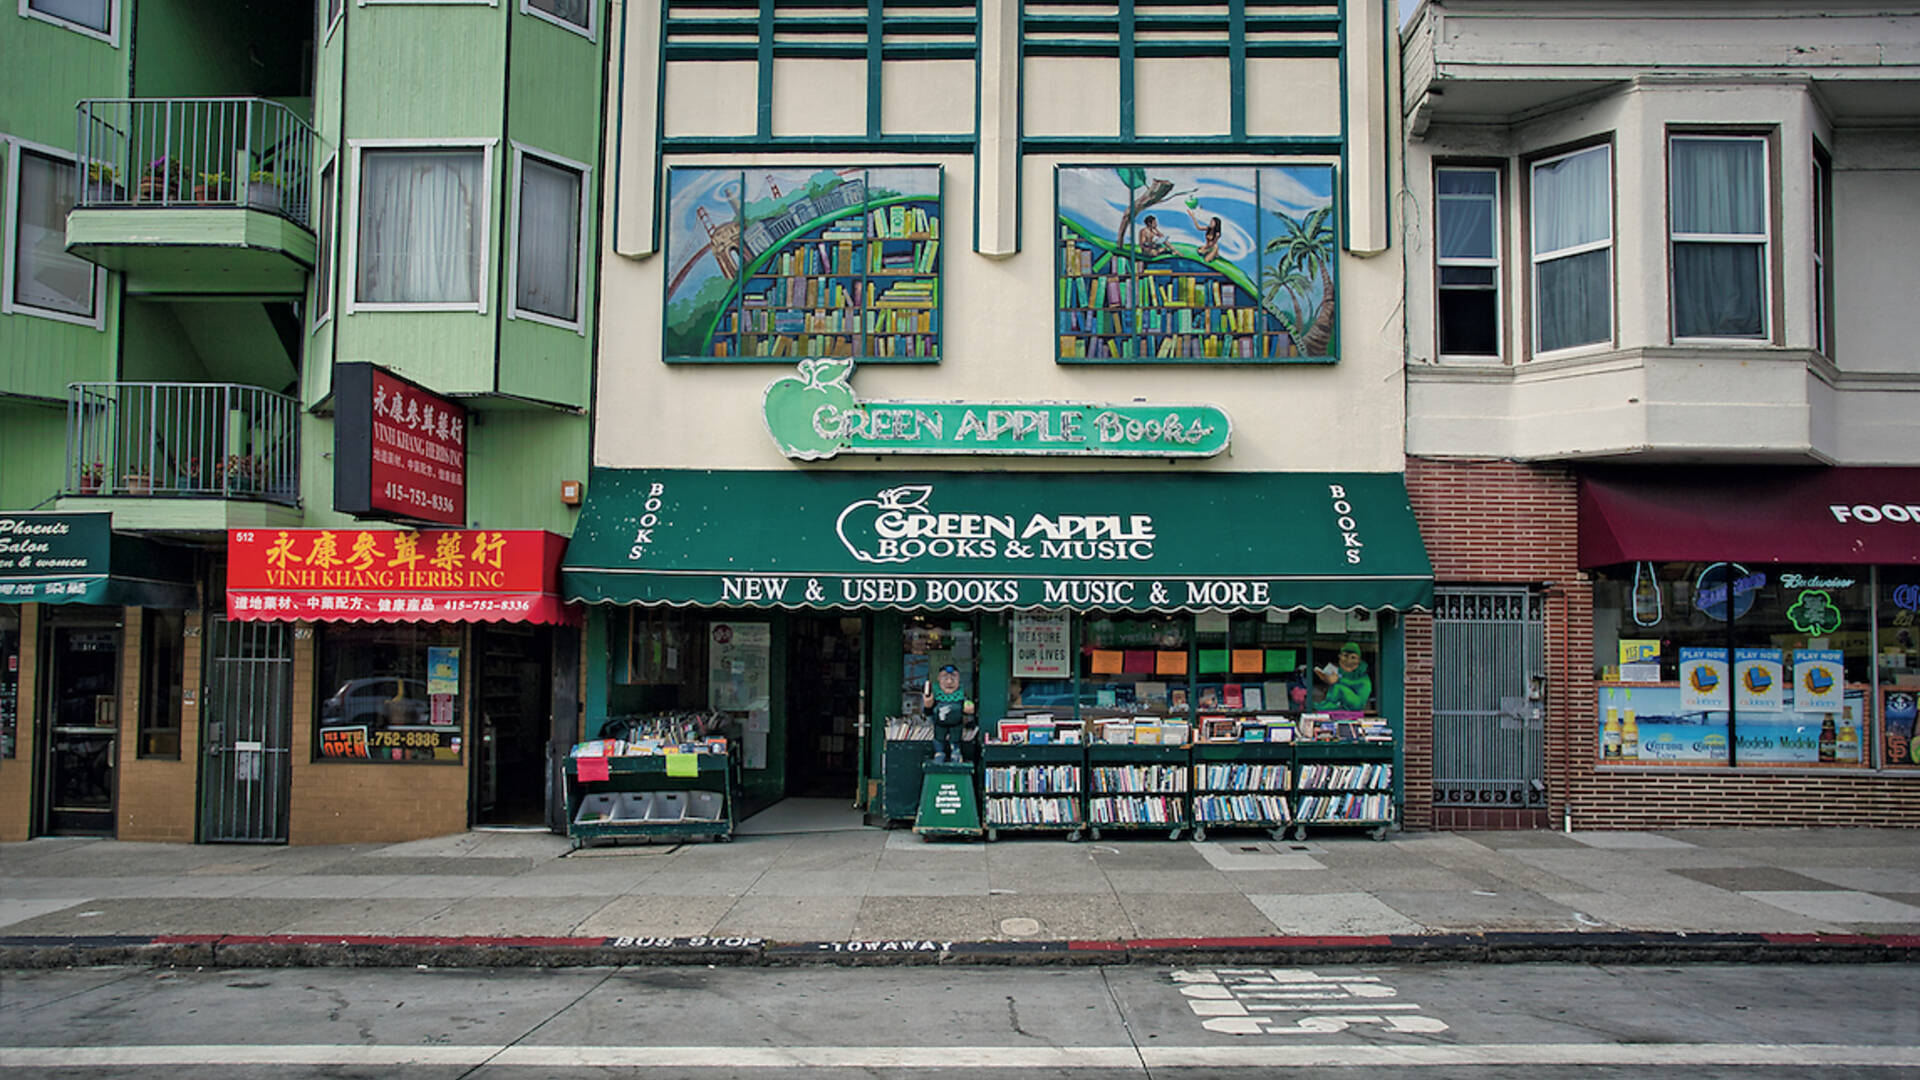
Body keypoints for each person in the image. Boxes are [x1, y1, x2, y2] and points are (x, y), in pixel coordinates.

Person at [923, 664, 974, 764]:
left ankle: (955, 752)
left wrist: (969, 710)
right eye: (945, 677)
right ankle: (939, 753)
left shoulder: (961, 693)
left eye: (953, 678)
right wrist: (928, 704)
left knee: (955, 738)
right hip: (940, 723)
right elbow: (927, 711)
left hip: (956, 723)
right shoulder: (936, 693)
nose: (949, 682)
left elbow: (968, 706)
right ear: (939, 679)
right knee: (939, 738)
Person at [1315, 642, 1372, 711]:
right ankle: (1327, 704)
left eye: (1353, 657)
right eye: (1345, 656)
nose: (1349, 661)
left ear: (1359, 660)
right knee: (1336, 687)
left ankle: (1328, 705)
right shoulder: (1339, 671)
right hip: (1343, 705)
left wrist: (1338, 680)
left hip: (1357, 704)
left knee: (1338, 687)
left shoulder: (1362, 675)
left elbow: (1353, 684)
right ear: (1339, 656)